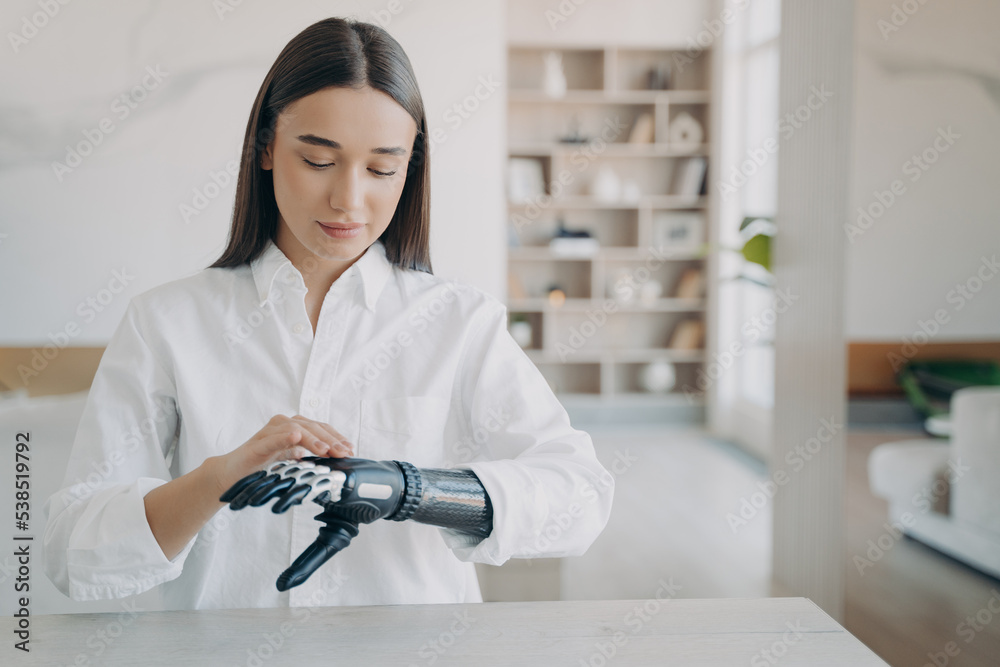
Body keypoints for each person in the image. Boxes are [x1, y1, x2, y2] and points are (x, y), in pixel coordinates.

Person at [43, 16, 614, 611]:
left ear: (410, 168)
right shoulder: (166, 323)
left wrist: (412, 491)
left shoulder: (459, 322)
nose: (348, 199)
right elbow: (70, 553)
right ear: (266, 147)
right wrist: (217, 479)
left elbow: (581, 497)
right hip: (219, 652)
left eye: (382, 169)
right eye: (318, 161)